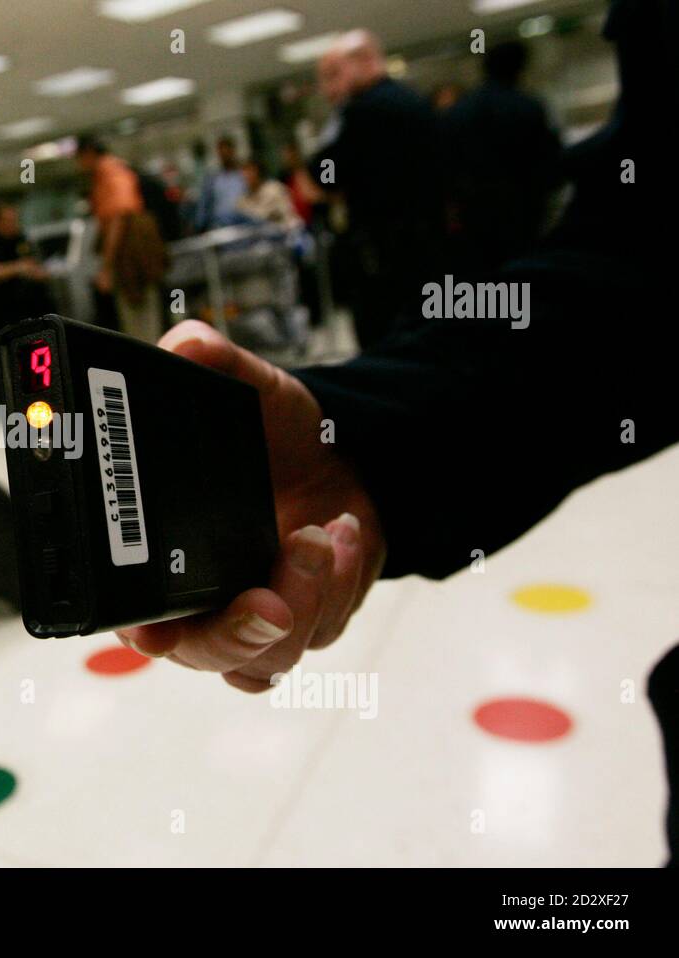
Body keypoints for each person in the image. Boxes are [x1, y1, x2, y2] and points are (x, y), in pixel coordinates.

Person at [117, 0, 679, 862]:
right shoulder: (436, 114)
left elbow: (630, 267)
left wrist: (371, 429)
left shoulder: (363, 122)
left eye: (330, 74)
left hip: (406, 279)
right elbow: (640, 274)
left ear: (355, 68)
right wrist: (372, 446)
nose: (326, 84)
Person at [309, 29, 445, 351]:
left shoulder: (359, 113)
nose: (328, 89)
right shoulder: (415, 103)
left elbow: (326, 177)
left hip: (380, 257)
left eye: (333, 75)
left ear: (365, 62)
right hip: (430, 249)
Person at [442, 41, 563, 275]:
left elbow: (447, 162)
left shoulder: (460, 110)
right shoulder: (527, 105)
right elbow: (547, 160)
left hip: (475, 211)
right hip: (522, 210)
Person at [75, 134, 167, 343]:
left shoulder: (111, 172)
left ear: (88, 154)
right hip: (130, 257)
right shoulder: (110, 172)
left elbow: (119, 216)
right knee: (140, 322)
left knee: (141, 324)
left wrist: (107, 267)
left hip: (131, 258)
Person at [0, 202, 54, 399]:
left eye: (15, 219)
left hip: (29, 312)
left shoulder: (23, 241)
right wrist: (17, 268)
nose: (13, 224)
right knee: (5, 366)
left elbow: (39, 268)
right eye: (8, 220)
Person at [192, 136, 249, 233]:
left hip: (246, 224)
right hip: (221, 228)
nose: (224, 155)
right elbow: (204, 206)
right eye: (221, 152)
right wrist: (200, 226)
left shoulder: (244, 175)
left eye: (227, 151)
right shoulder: (212, 179)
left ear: (233, 151)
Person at [237, 160, 303, 230]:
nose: (246, 175)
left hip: (282, 233)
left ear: (258, 171)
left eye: (250, 171)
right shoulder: (243, 199)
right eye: (244, 171)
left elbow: (290, 217)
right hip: (257, 237)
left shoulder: (275, 189)